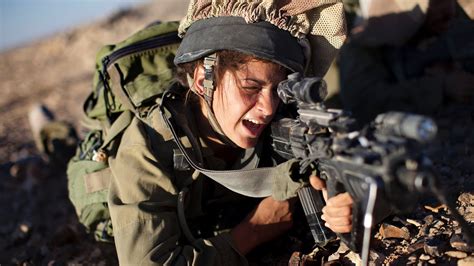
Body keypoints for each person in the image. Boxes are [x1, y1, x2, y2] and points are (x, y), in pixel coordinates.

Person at [106, 0, 353, 265]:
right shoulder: (146, 148)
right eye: (250, 87)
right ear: (203, 81)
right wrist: (252, 231)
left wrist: (350, 201)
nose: (268, 108)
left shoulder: (289, 123)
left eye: (278, 90)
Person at [339, 0, 474, 124]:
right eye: (435, 2)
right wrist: (440, 87)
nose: (448, 10)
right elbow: (363, 103)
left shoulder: (453, 27)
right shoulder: (362, 48)